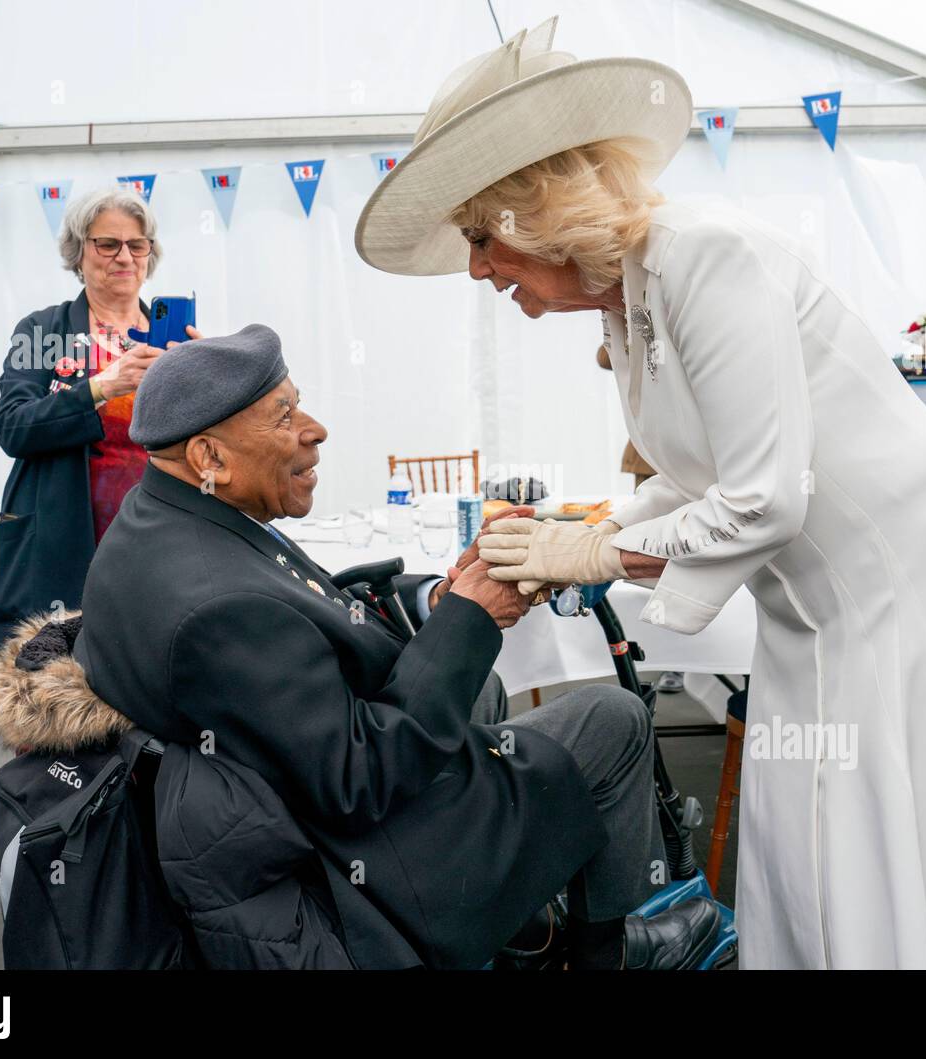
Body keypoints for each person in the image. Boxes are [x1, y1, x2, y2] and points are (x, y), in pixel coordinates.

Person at [353, 18, 926, 968]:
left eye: (482, 236)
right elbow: (700, 479)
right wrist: (584, 525)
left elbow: (766, 499)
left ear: (542, 213)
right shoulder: (631, 290)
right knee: (809, 851)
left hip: (908, 586)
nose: (477, 268)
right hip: (816, 606)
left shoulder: (700, 254)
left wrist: (589, 553)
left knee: (906, 843)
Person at [68, 324, 721, 970]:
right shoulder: (217, 608)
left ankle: (522, 926)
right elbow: (360, 781)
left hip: (268, 815)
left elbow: (309, 607)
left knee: (486, 688)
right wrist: (471, 621)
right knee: (616, 719)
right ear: (210, 457)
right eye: (284, 415)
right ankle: (601, 955)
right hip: (348, 873)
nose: (315, 429)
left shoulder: (163, 518)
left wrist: (438, 600)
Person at [0, 187, 198, 652]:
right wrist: (101, 387)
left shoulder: (175, 337)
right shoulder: (42, 330)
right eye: (108, 243)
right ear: (79, 253)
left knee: (154, 669)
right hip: (69, 538)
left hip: (159, 536)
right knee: (68, 685)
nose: (124, 256)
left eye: (136, 244)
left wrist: (206, 374)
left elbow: (205, 441)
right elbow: (13, 426)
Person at [597, 341, 682, 694]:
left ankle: (680, 654)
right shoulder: (632, 317)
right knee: (647, 538)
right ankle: (664, 651)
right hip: (650, 452)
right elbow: (605, 357)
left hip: (680, 443)